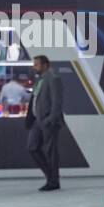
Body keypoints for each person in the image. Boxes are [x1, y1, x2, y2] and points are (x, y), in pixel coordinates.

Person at [26, 55, 64, 191]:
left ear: (45, 65)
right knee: (32, 147)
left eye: (36, 64)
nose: (34, 67)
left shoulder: (53, 79)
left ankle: (53, 181)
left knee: (50, 151)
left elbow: (56, 102)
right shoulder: (39, 80)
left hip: (48, 121)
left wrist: (51, 119)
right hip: (38, 120)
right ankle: (51, 177)